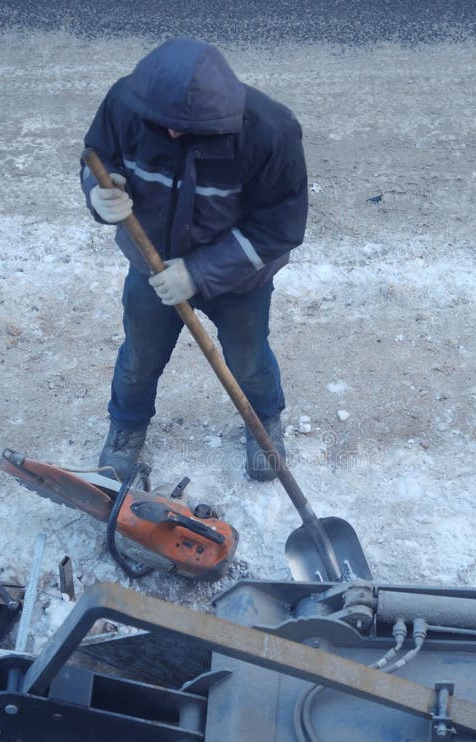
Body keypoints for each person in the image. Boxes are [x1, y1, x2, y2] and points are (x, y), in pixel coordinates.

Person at [81, 36, 308, 481]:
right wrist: (99, 192)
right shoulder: (126, 102)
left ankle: (263, 423)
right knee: (139, 357)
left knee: (248, 358)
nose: (170, 133)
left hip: (239, 280)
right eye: (160, 123)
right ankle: (126, 429)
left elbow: (280, 227)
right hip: (152, 267)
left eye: (183, 126)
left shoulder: (270, 130)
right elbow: (97, 156)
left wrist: (199, 272)